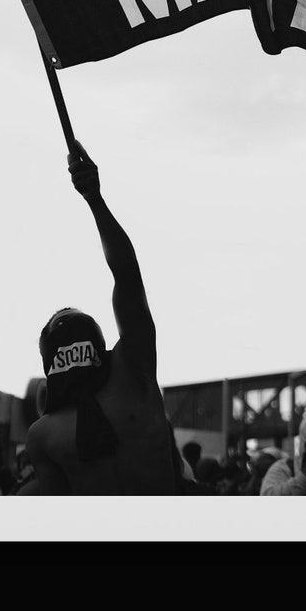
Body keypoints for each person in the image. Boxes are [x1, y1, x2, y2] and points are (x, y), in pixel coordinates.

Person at [24, 141, 179, 495]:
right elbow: (128, 276)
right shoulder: (132, 368)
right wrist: (93, 198)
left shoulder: (44, 433)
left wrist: (94, 197)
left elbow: (128, 276)